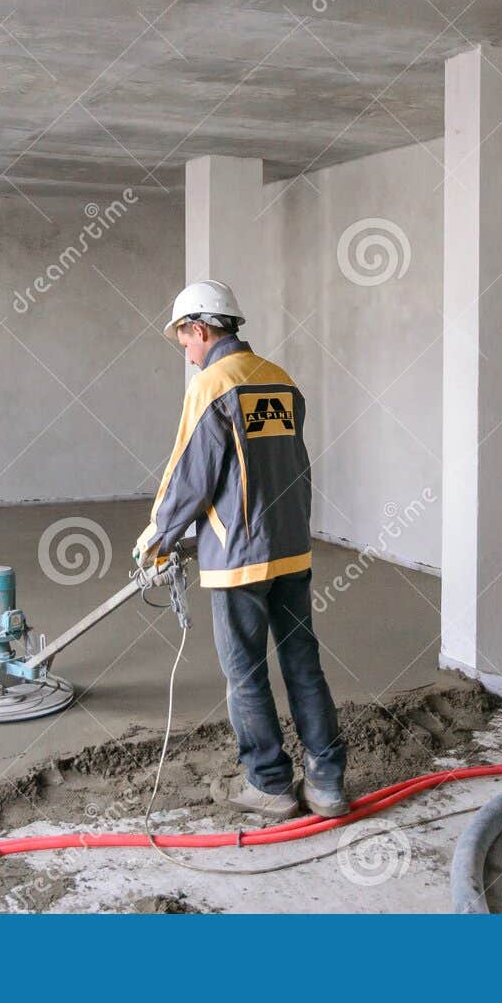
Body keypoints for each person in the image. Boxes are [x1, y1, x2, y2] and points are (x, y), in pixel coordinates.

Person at [133, 280, 348, 819]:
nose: (185, 352)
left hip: (240, 559)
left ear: (200, 329)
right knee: (303, 664)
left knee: (245, 672)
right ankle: (326, 783)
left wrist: (155, 541)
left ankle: (270, 784)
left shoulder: (213, 383)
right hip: (292, 548)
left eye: (184, 340)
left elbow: (190, 476)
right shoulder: (279, 380)